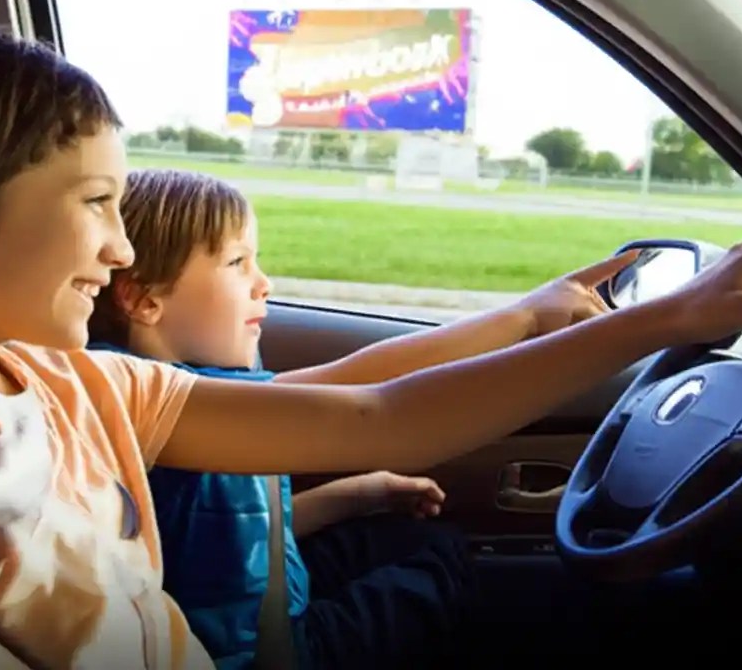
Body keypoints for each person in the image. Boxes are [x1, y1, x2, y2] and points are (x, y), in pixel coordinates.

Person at [0, 24, 742, 670]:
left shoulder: (81, 384)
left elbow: (375, 415)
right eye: (92, 204)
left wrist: (666, 317)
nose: (119, 245)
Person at [90, 167, 617, 668]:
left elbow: (233, 534)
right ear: (143, 299)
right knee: (443, 566)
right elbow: (365, 388)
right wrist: (523, 318)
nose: (263, 283)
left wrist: (357, 496)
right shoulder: (159, 404)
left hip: (255, 605)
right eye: (237, 264)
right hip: (266, 651)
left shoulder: (177, 385)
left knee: (410, 537)